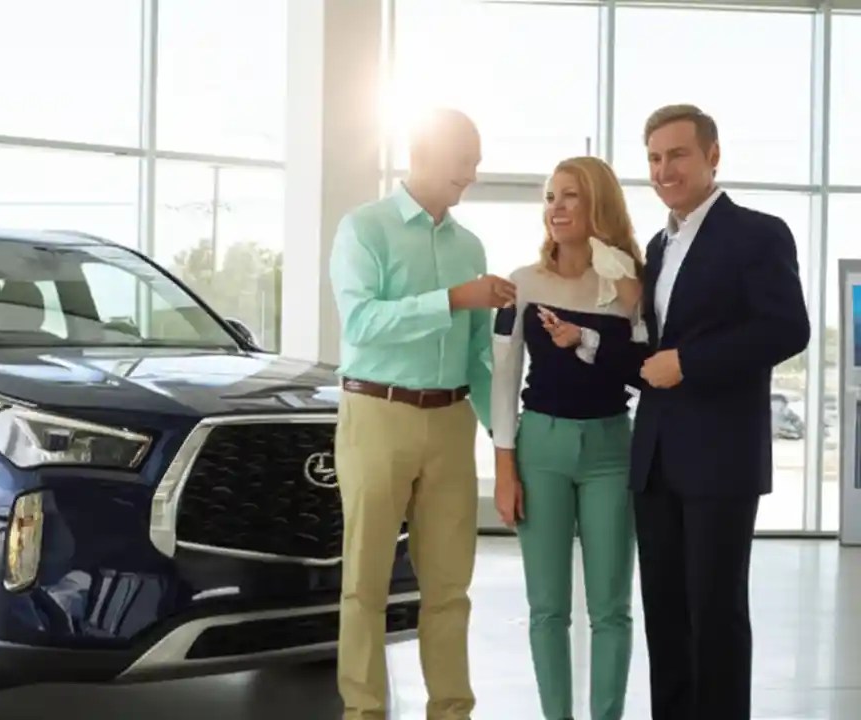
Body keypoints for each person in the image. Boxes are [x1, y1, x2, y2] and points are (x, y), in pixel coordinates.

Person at [328, 107, 515, 720]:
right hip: (376, 415)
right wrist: (454, 298)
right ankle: (363, 712)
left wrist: (505, 440)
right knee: (365, 583)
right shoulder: (365, 228)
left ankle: (452, 711)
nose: (473, 173)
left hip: (452, 420)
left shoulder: (470, 246)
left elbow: (478, 357)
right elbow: (361, 323)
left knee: (450, 587)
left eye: (476, 161)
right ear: (424, 153)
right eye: (465, 159)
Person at [630, 104, 810, 720]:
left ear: (712, 156)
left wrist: (690, 362)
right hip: (656, 457)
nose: (664, 170)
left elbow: (787, 328)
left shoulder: (759, 233)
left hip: (721, 456)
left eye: (677, 155)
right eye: (655, 158)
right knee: (665, 614)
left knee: (715, 613)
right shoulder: (658, 246)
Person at [491, 156, 645, 720]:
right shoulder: (523, 284)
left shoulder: (627, 287)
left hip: (612, 450)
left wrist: (590, 330)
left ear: (597, 204)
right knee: (547, 608)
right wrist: (505, 469)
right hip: (541, 449)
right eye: (550, 197)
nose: (556, 208)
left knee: (611, 609)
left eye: (570, 196)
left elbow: (642, 368)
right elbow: (503, 379)